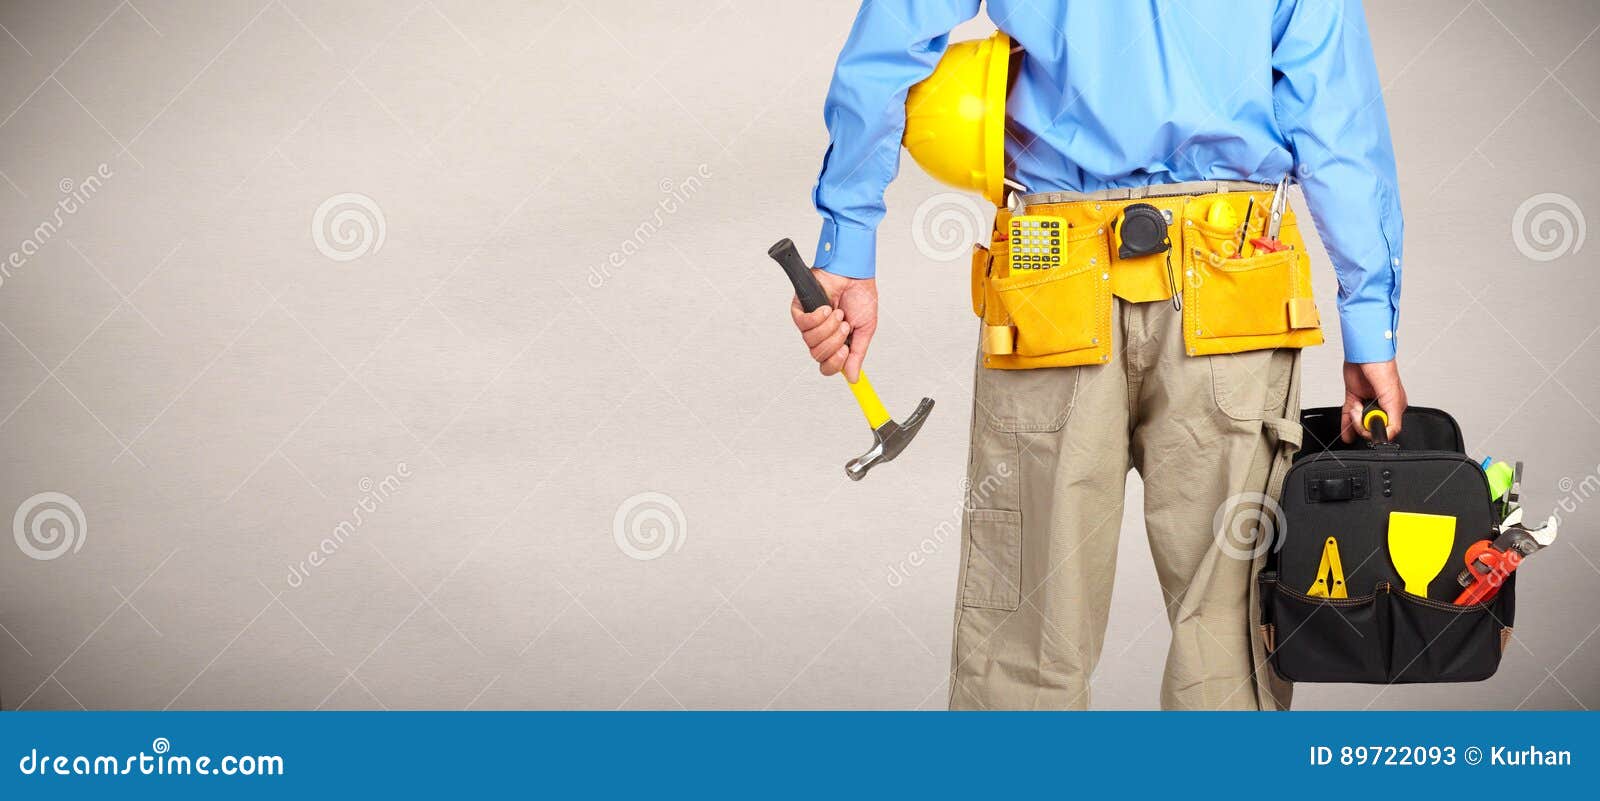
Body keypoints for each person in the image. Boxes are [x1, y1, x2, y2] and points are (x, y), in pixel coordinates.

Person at [788, 0, 1407, 710]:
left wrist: (848, 239)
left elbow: (888, 46)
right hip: (1236, 279)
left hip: (1052, 278)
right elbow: (1335, 115)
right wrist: (1370, 325)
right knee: (1230, 636)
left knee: (1024, 641)